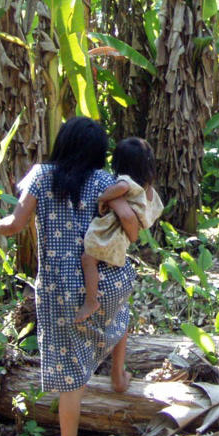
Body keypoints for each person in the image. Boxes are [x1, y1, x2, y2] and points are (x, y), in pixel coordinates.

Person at [0, 117, 140, 436]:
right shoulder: (103, 181)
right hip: (101, 280)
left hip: (55, 289)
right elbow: (131, 226)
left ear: (63, 143)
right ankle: (117, 374)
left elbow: (15, 224)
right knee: (123, 303)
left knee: (70, 380)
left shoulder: (40, 175)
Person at [75, 137, 163, 323]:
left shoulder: (125, 181)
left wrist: (103, 197)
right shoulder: (146, 187)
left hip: (116, 231)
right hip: (124, 234)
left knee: (88, 259)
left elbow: (122, 192)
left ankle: (91, 301)